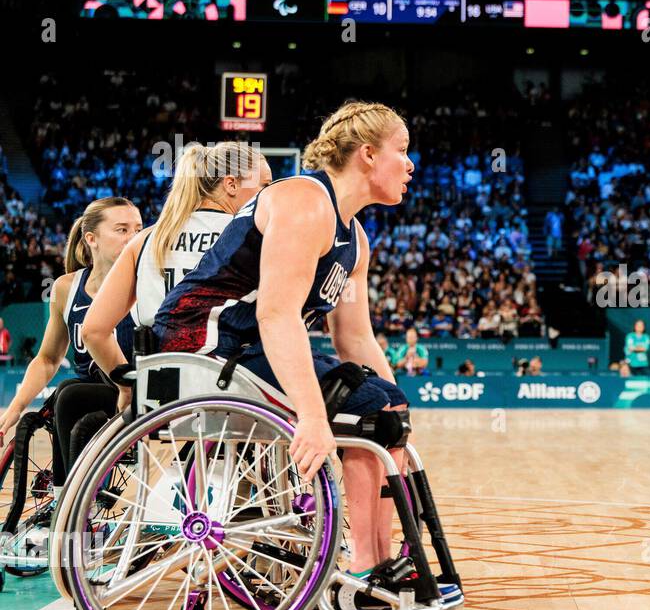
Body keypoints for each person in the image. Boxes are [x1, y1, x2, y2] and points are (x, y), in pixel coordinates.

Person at [152, 101, 415, 584]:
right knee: (368, 412)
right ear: (368, 155)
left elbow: (355, 337)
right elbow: (276, 314)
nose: (410, 164)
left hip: (249, 345)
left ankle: (376, 565)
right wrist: (313, 418)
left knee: (385, 413)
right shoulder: (303, 200)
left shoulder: (354, 238)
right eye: (402, 150)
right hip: (204, 339)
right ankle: (363, 565)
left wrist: (401, 417)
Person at [83, 143, 271, 410]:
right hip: (229, 381)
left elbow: (93, 330)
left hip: (160, 383)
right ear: (230, 185)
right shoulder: (252, 237)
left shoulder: (146, 239)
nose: (269, 194)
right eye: (264, 185)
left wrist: (127, 386)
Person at [0, 197, 142, 486]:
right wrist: (15, 407)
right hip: (89, 390)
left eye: (138, 229)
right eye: (122, 229)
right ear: (92, 238)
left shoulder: (149, 282)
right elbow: (48, 359)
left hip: (137, 391)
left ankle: (73, 497)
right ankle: (66, 498)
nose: (134, 238)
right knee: (64, 393)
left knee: (69, 393)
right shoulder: (67, 287)